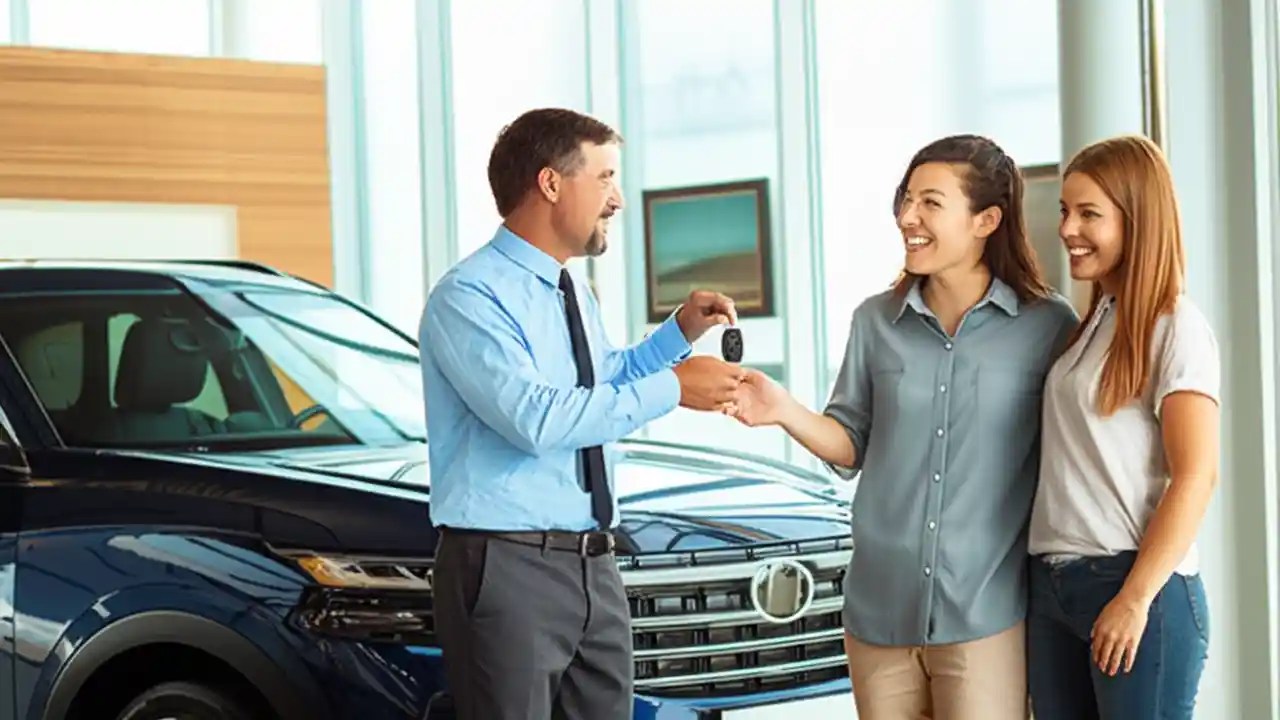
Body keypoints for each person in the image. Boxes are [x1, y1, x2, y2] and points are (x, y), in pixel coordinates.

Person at [727, 135, 1079, 719]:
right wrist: (784, 410)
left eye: (930, 203)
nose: (907, 217)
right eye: (906, 199)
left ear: (986, 219)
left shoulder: (1047, 326)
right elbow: (849, 446)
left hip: (986, 615)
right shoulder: (875, 321)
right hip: (878, 614)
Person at [417, 107, 746, 720]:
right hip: (507, 567)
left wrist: (674, 338)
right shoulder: (468, 298)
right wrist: (675, 387)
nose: (617, 199)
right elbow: (537, 420)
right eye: (605, 178)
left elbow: (598, 384)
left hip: (594, 565)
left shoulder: (573, 291)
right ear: (550, 183)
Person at [1025, 135, 1220, 719]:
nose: (1067, 229)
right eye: (1064, 210)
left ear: (1137, 221)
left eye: (1090, 214)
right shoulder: (1090, 324)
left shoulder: (1176, 326)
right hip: (1054, 587)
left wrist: (1134, 599)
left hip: (1134, 585)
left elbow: (1196, 477)